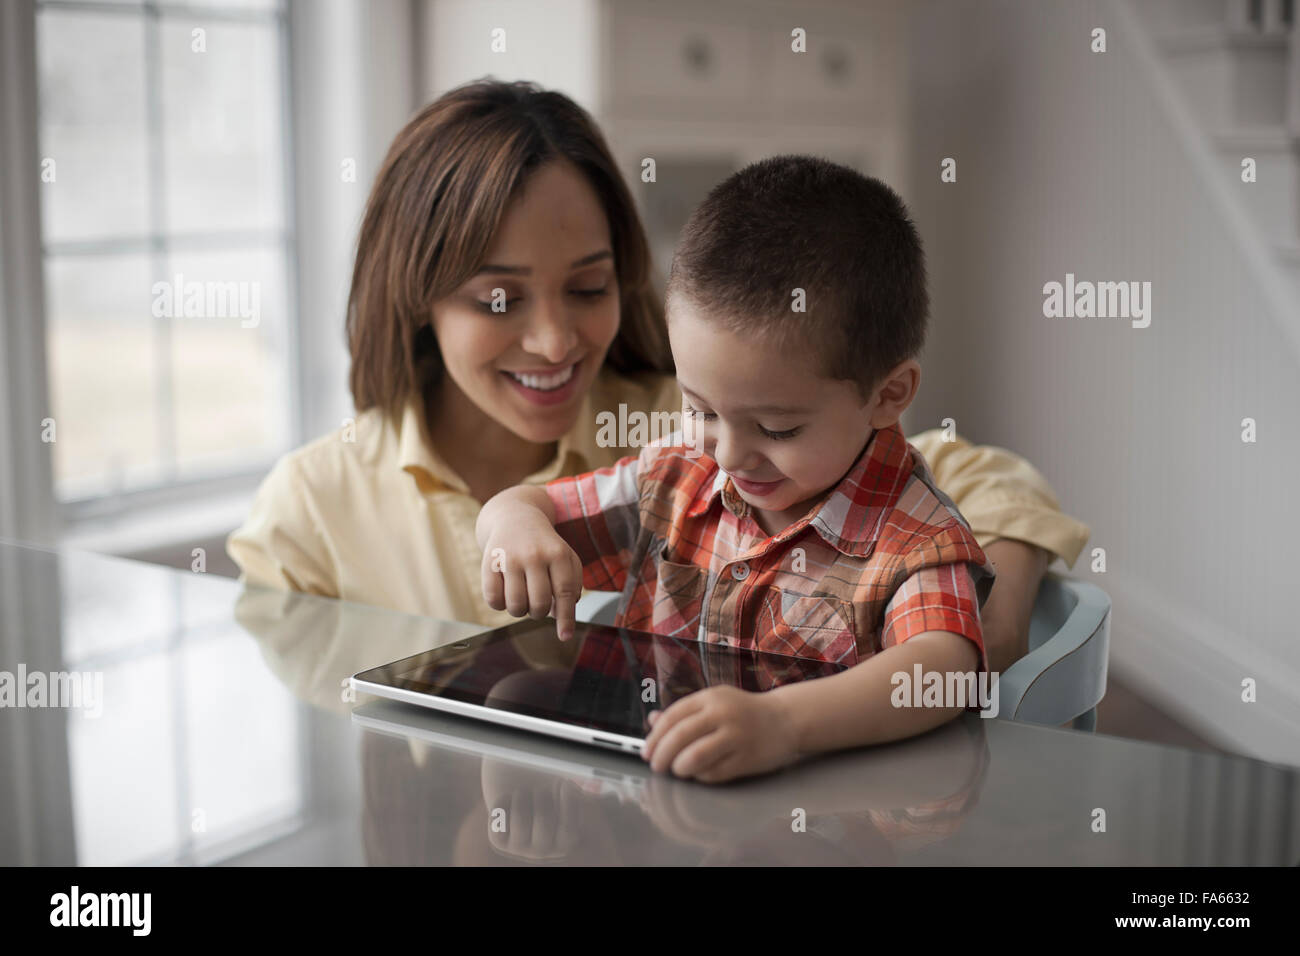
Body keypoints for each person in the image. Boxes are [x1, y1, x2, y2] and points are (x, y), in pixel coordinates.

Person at [227, 79, 1088, 679]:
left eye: (590, 287)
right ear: (418, 296)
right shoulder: (312, 509)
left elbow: (965, 474)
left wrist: (984, 614)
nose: (556, 338)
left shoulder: (686, 430)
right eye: (499, 298)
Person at [477, 156, 1016, 782]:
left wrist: (784, 725)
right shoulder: (674, 480)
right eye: (699, 409)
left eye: (778, 429)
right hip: (657, 804)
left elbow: (942, 673)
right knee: (512, 697)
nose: (728, 456)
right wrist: (512, 523)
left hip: (824, 825)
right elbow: (527, 507)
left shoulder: (916, 540)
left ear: (888, 395)